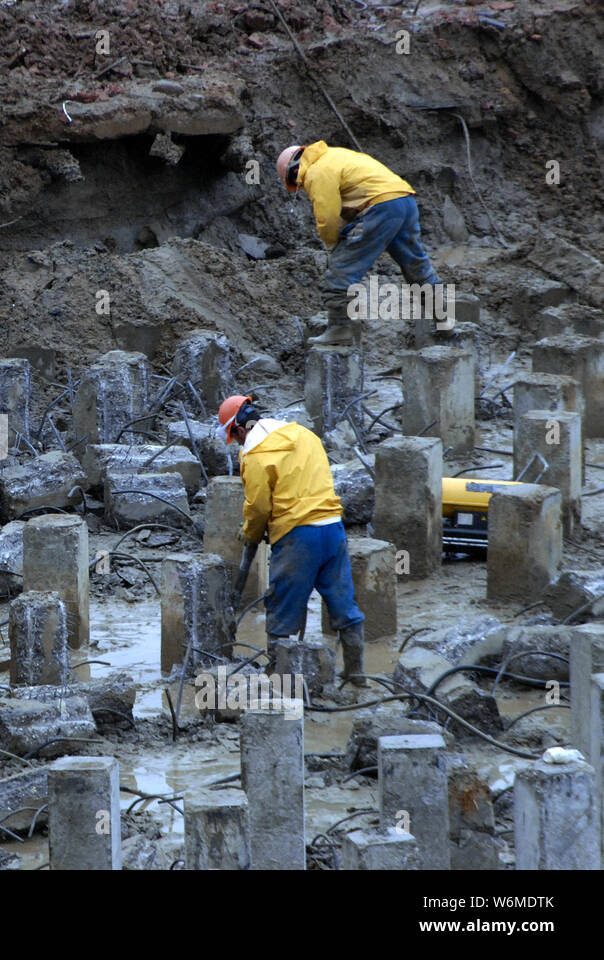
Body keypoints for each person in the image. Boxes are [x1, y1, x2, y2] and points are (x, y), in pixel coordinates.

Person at [217, 395, 367, 687]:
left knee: (282, 609)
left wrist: (249, 532)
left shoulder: (256, 455)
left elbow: (259, 507)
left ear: (239, 429)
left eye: (234, 437)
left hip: (298, 538)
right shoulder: (304, 434)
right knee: (343, 604)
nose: (236, 444)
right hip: (333, 529)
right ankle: (357, 675)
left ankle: (277, 678)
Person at [276, 141, 443, 345]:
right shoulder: (336, 156)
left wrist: (333, 245)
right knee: (416, 264)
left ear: (293, 170)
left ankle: (339, 328)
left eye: (296, 183)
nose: (300, 187)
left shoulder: (316, 171)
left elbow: (327, 217)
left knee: (341, 268)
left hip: (380, 207)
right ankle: (444, 319)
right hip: (404, 200)